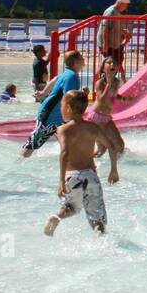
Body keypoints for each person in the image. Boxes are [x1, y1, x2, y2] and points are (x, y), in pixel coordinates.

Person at [44, 90, 117, 236]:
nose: (61, 109)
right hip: (90, 175)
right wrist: (114, 170)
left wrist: (61, 181)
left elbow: (64, 152)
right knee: (97, 217)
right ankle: (102, 243)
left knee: (71, 207)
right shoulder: (92, 127)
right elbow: (111, 146)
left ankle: (57, 217)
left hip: (72, 176)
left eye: (61, 106)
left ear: (69, 109)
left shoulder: (63, 129)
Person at [23, 50, 83, 156]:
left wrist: (44, 92)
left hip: (58, 116)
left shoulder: (66, 73)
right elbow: (68, 97)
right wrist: (83, 95)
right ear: (76, 62)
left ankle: (76, 164)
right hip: (50, 116)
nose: (84, 60)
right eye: (81, 58)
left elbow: (54, 80)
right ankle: (18, 164)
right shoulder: (72, 76)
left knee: (70, 143)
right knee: (32, 145)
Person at [86, 57, 125, 183]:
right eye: (109, 63)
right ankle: (87, 165)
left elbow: (114, 95)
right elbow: (101, 99)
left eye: (114, 62)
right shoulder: (100, 83)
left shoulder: (117, 81)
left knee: (120, 145)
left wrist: (125, 99)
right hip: (96, 117)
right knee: (103, 148)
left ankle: (115, 166)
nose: (112, 64)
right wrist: (108, 83)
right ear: (103, 67)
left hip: (106, 117)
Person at [98, 0, 132, 77]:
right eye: (126, 5)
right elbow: (104, 27)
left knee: (115, 64)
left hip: (114, 44)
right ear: (121, 3)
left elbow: (115, 27)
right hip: (109, 44)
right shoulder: (111, 12)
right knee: (111, 65)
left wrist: (124, 32)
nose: (126, 7)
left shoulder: (117, 12)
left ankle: (106, 81)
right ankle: (101, 82)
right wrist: (105, 44)